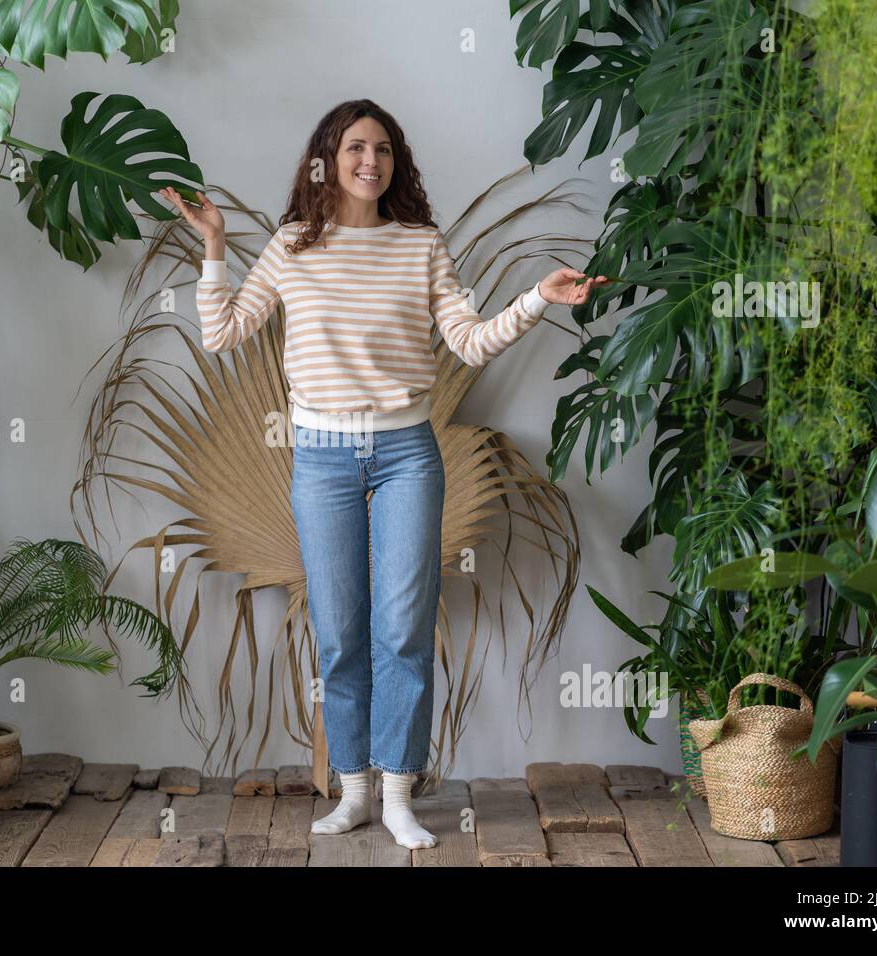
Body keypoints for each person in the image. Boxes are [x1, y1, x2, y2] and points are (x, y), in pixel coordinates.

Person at [159, 98, 608, 850]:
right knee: (339, 633)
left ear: (395, 164)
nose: (372, 161)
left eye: (385, 150)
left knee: (401, 629)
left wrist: (536, 298)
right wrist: (212, 243)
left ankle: (399, 794)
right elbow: (221, 331)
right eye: (356, 148)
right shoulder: (292, 245)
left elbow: (466, 343)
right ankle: (356, 793)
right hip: (322, 459)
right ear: (327, 161)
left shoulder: (419, 244)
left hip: (406, 455)